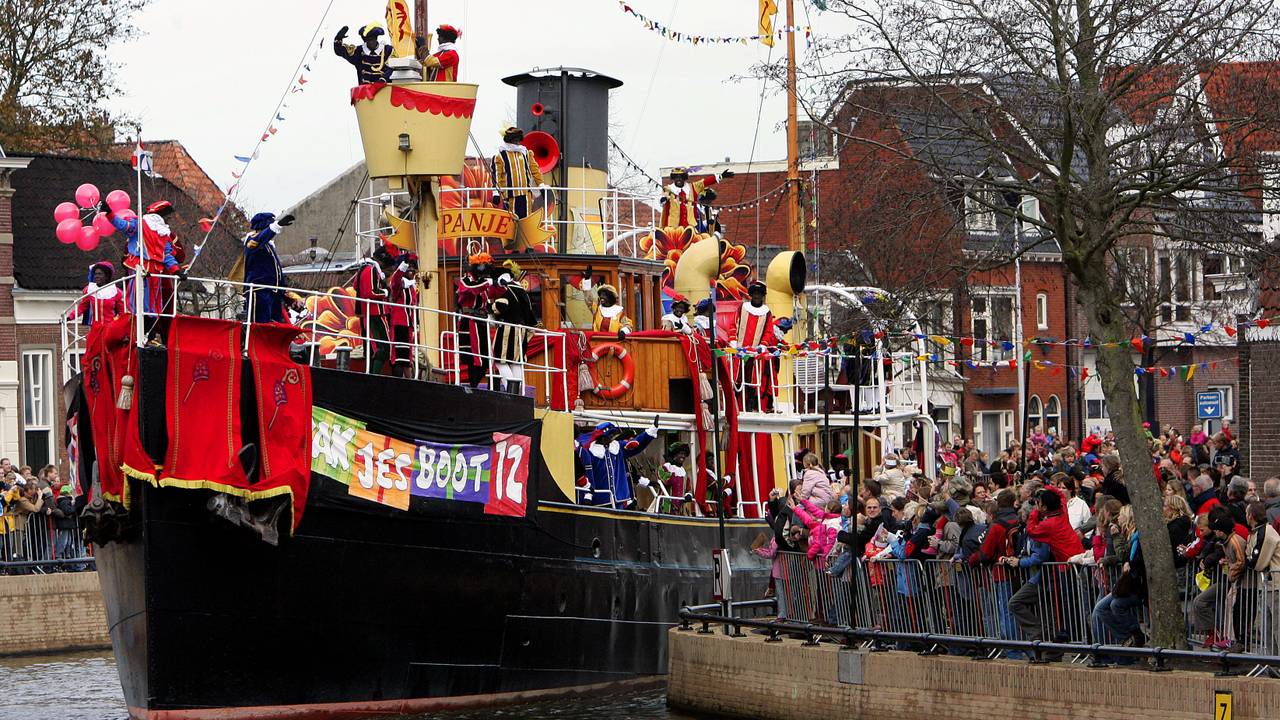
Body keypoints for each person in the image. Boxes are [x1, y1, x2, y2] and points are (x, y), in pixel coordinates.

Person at [104, 199, 183, 322]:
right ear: (161, 215)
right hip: (138, 266)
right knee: (136, 297)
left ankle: (149, 330)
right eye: (168, 216)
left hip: (155, 270)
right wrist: (110, 213)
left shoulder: (163, 232)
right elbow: (124, 226)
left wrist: (176, 271)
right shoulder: (139, 224)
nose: (170, 220)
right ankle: (134, 324)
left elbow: (166, 254)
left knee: (153, 302)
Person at [1091, 505, 1146, 659]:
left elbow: (1125, 556)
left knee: (1112, 606)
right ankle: (1127, 638)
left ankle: (1133, 636)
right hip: (1125, 581)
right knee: (1101, 609)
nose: (1118, 518)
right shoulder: (1127, 534)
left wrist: (1116, 539)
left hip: (1134, 583)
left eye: (1121, 515)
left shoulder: (1135, 535)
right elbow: (1123, 556)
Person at [574, 419, 658, 509]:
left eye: (612, 435)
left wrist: (651, 431)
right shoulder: (590, 452)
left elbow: (638, 443)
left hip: (619, 500)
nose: (611, 438)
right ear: (600, 436)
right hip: (599, 501)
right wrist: (588, 494)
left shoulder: (617, 447)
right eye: (609, 435)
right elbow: (585, 473)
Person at [241, 212, 299, 324]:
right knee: (260, 324)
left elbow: (277, 273)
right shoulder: (252, 241)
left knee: (276, 325)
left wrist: (286, 294)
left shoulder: (269, 246)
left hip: (274, 292)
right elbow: (261, 237)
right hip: (259, 290)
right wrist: (276, 226)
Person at [490, 260, 537, 394]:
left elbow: (500, 307)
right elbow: (530, 316)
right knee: (516, 362)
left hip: (508, 330)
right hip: (522, 331)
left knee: (500, 360)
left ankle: (512, 391)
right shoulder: (523, 292)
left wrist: (489, 308)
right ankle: (520, 393)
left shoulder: (506, 290)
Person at [455, 252, 499, 388]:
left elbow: (491, 297)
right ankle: (473, 386)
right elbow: (470, 289)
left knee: (485, 358)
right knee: (474, 358)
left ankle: (477, 386)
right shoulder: (465, 281)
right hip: (470, 322)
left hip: (482, 322)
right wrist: (488, 282)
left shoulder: (484, 284)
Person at [734, 281, 777, 411]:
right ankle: (735, 403)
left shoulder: (767, 312)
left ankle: (750, 405)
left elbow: (769, 332)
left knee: (753, 380)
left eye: (759, 294)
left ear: (763, 296)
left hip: (756, 353)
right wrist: (733, 342)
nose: (757, 296)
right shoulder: (742, 308)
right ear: (751, 295)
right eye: (755, 294)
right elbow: (733, 325)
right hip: (740, 351)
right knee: (737, 378)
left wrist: (762, 346)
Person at [354, 246, 396, 375]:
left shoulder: (363, 268)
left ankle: (372, 373)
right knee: (383, 348)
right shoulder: (371, 269)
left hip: (368, 313)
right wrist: (386, 291)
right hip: (375, 313)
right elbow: (370, 292)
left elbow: (356, 285)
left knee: (375, 347)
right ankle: (374, 375)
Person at [491, 127, 546, 221]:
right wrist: (496, 192)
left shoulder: (526, 153)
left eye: (518, 140)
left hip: (526, 194)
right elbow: (497, 175)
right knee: (512, 221)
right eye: (515, 140)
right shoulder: (500, 156)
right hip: (511, 195)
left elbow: (535, 170)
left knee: (526, 220)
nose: (517, 142)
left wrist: (541, 185)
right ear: (510, 140)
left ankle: (524, 235)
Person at [659, 167, 733, 229]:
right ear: (673, 178)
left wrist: (721, 176)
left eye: (681, 177)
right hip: (673, 227)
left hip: (691, 225)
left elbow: (705, 182)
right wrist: (663, 199)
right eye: (676, 177)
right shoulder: (668, 189)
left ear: (684, 178)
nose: (679, 179)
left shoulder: (692, 187)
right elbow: (664, 196)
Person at [386, 253, 419, 378]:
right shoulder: (398, 285)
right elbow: (396, 279)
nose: (411, 269)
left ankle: (410, 382)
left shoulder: (411, 287)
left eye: (413, 266)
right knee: (399, 357)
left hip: (408, 324)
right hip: (398, 322)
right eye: (408, 267)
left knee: (407, 357)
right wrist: (404, 263)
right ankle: (399, 382)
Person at [77, 262, 125, 327]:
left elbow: (122, 312)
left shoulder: (115, 291)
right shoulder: (90, 290)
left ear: (106, 276)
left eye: (100, 274)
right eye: (95, 274)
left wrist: (117, 323)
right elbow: (82, 307)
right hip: (95, 328)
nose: (97, 276)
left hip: (110, 328)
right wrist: (69, 317)